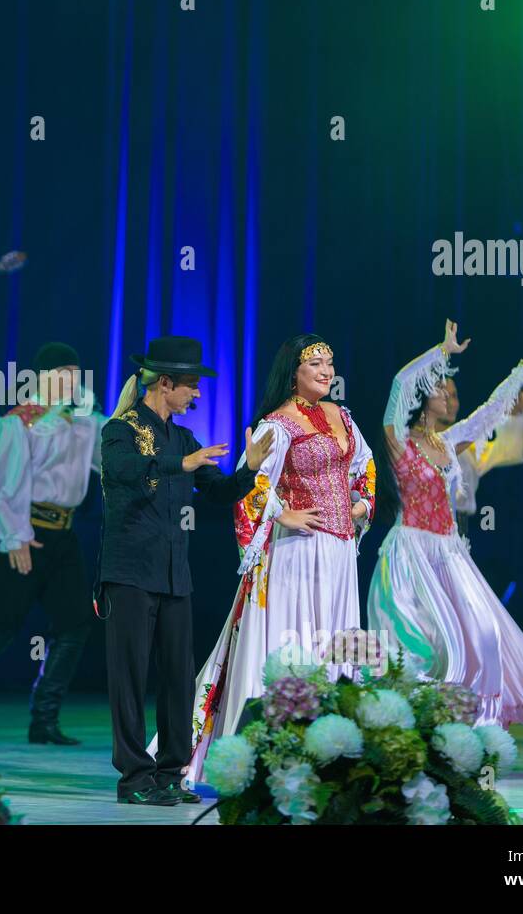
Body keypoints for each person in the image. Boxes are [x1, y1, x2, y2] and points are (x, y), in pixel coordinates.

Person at [367, 320, 523, 756]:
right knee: (423, 646)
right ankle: (411, 737)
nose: (447, 395)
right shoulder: (399, 441)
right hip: (410, 555)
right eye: (440, 388)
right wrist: (441, 352)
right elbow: (400, 383)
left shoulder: (449, 441)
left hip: (451, 554)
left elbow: (492, 412)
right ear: (424, 399)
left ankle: (471, 730)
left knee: (486, 637)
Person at [179, 334, 376, 788]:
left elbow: (364, 466)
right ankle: (271, 752)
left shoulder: (341, 416)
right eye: (316, 365)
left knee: (336, 640)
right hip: (295, 550)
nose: (327, 372)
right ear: (294, 373)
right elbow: (250, 484)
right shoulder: (278, 424)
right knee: (295, 641)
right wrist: (280, 513)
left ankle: (334, 745)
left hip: (339, 550)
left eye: (330, 363)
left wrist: (361, 505)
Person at [98, 335, 273, 806]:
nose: (197, 396)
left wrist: (250, 468)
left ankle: (171, 771)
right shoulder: (119, 430)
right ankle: (134, 778)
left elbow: (217, 493)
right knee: (130, 677)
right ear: (166, 383)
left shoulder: (184, 438)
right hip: (130, 572)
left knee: (178, 676)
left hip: (175, 574)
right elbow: (126, 472)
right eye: (191, 387)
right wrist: (182, 463)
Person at [0, 343, 106, 744]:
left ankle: (44, 718)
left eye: (74, 372)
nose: (70, 381)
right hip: (26, 534)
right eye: (62, 373)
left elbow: (108, 454)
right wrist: (13, 536)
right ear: (42, 377)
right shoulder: (18, 422)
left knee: (75, 625)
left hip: (64, 534)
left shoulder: (83, 422)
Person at [433, 378, 523, 540]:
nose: (452, 403)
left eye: (454, 396)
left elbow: (510, 450)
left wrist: (513, 415)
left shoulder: (468, 446)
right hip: (427, 531)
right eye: (445, 397)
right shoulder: (418, 443)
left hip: (458, 532)